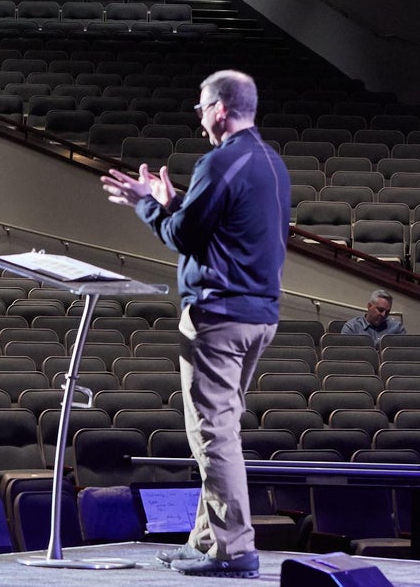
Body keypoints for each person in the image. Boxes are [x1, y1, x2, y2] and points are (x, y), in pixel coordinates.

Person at [101, 69, 288, 579]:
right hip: (256, 315)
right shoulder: (269, 161)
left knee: (212, 435)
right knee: (221, 429)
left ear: (220, 109)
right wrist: (174, 201)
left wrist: (146, 204)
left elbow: (184, 236)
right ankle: (206, 540)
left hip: (219, 315)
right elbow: (217, 228)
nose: (200, 118)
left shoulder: (221, 160)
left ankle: (233, 549)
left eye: (202, 108)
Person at [339, 288, 404, 346]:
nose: (383, 314)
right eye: (380, 310)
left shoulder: (397, 328)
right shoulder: (352, 328)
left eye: (387, 312)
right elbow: (345, 353)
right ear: (369, 306)